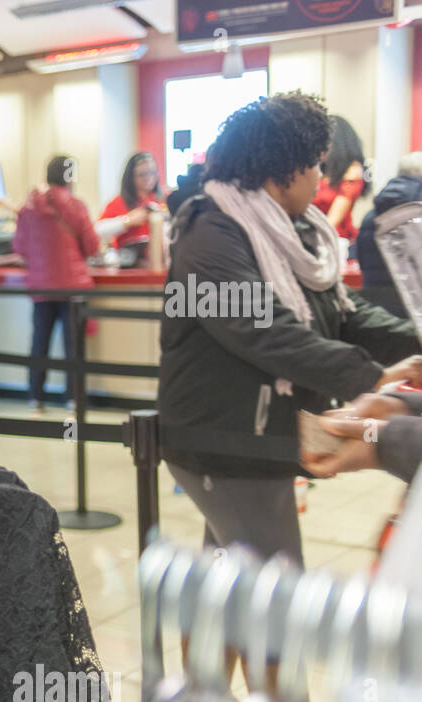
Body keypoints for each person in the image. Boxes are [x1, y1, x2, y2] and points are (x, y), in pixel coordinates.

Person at [158, 91, 422, 577]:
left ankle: (207, 657)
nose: (322, 178)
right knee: (276, 594)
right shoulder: (208, 233)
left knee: (227, 581)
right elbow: (265, 331)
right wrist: (373, 375)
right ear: (284, 172)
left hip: (257, 437)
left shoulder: (290, 231)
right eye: (316, 166)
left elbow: (343, 311)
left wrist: (414, 341)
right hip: (227, 443)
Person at [12, 155, 100, 411]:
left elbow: (19, 247)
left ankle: (35, 397)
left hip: (41, 285)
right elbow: (92, 246)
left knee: (40, 341)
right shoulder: (76, 206)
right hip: (72, 285)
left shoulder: (28, 208)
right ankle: (73, 398)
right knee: (73, 345)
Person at [352, 151, 422, 319]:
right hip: (413, 310)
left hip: (375, 308)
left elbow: (359, 256)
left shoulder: (371, 215)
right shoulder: (418, 214)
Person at [313, 115, 369, 244]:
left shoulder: (352, 172)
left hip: (336, 242)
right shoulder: (320, 169)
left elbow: (333, 221)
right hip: (316, 238)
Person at [96, 152, 164, 252]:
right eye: (142, 174)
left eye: (153, 172)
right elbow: (98, 230)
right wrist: (126, 221)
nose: (149, 178)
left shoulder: (161, 200)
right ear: (131, 176)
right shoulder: (119, 202)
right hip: (128, 261)